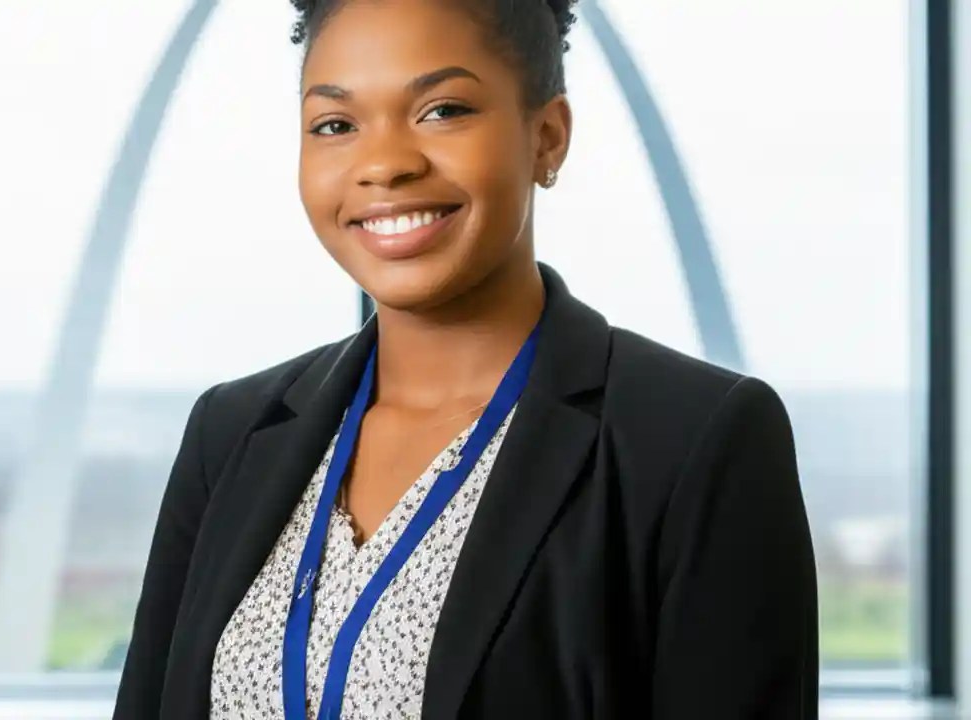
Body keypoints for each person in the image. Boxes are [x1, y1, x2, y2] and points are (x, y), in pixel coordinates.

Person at [112, 0, 818, 717]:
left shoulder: (693, 442)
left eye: (443, 111)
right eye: (336, 125)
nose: (384, 164)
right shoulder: (231, 433)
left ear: (547, 137)